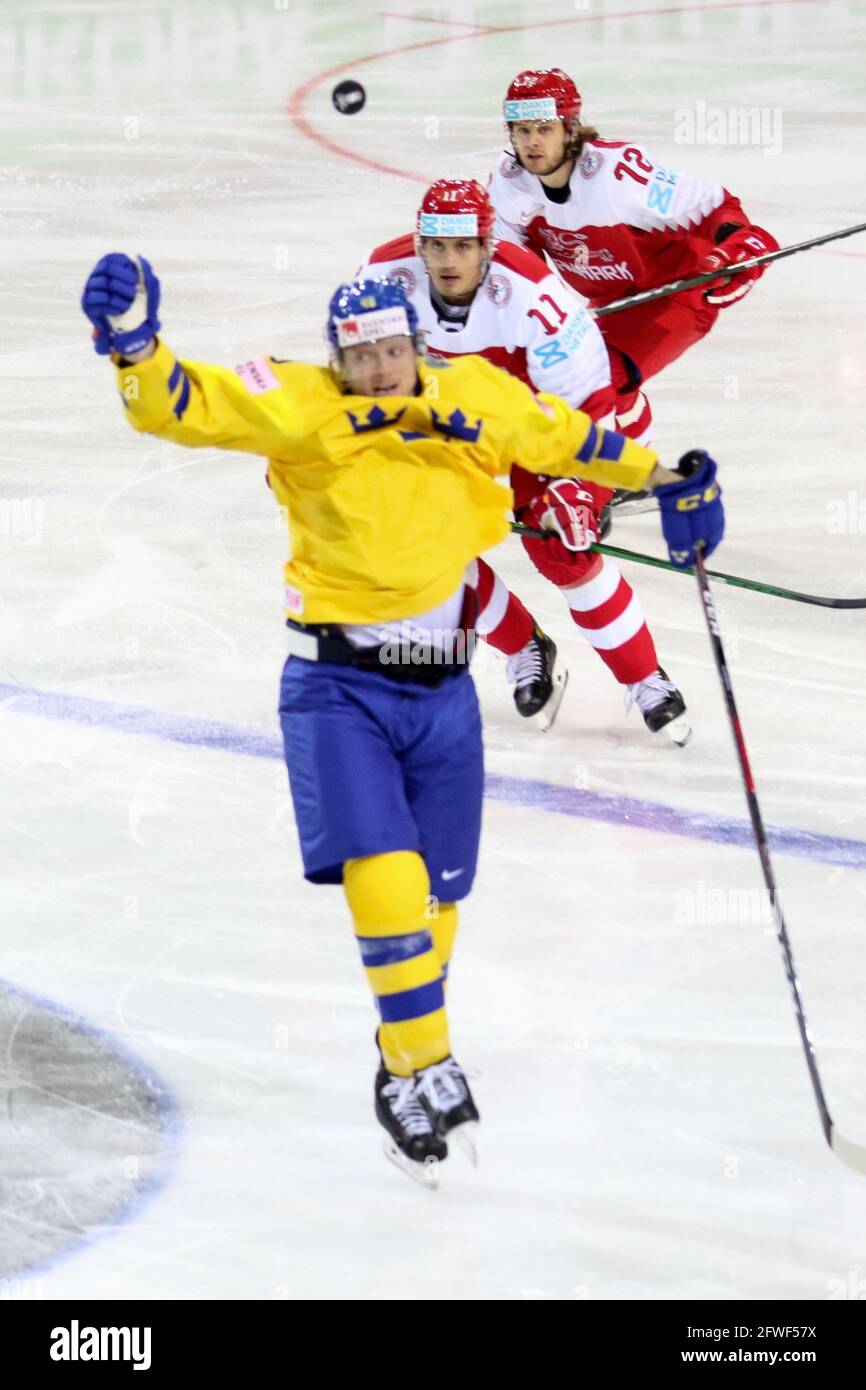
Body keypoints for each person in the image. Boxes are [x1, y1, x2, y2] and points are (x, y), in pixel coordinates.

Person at [81, 255, 723, 1184]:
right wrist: (135, 348)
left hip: (446, 692)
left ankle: (398, 1068)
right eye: (359, 354)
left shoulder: (474, 392)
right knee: (383, 872)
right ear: (334, 360)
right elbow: (187, 403)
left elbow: (561, 440)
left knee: (438, 899)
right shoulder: (295, 401)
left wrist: (669, 475)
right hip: (337, 690)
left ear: (416, 346)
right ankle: (430, 1059)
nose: (377, 366)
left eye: (391, 348)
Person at [359, 178, 691, 745]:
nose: (447, 260)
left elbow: (588, 407)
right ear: (420, 246)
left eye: (462, 246)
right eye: (436, 246)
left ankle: (644, 679)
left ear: (488, 245)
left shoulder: (536, 299)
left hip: (537, 423)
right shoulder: (383, 281)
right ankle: (524, 647)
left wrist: (578, 489)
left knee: (561, 550)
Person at [489, 67, 779, 451]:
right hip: (611, 300)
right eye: (522, 130)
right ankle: (632, 464)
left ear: (570, 127)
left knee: (598, 376)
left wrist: (740, 244)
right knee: (550, 374)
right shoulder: (509, 184)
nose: (532, 142)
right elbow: (514, 267)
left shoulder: (616, 175)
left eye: (544, 128)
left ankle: (620, 473)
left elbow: (712, 207)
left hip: (678, 290)